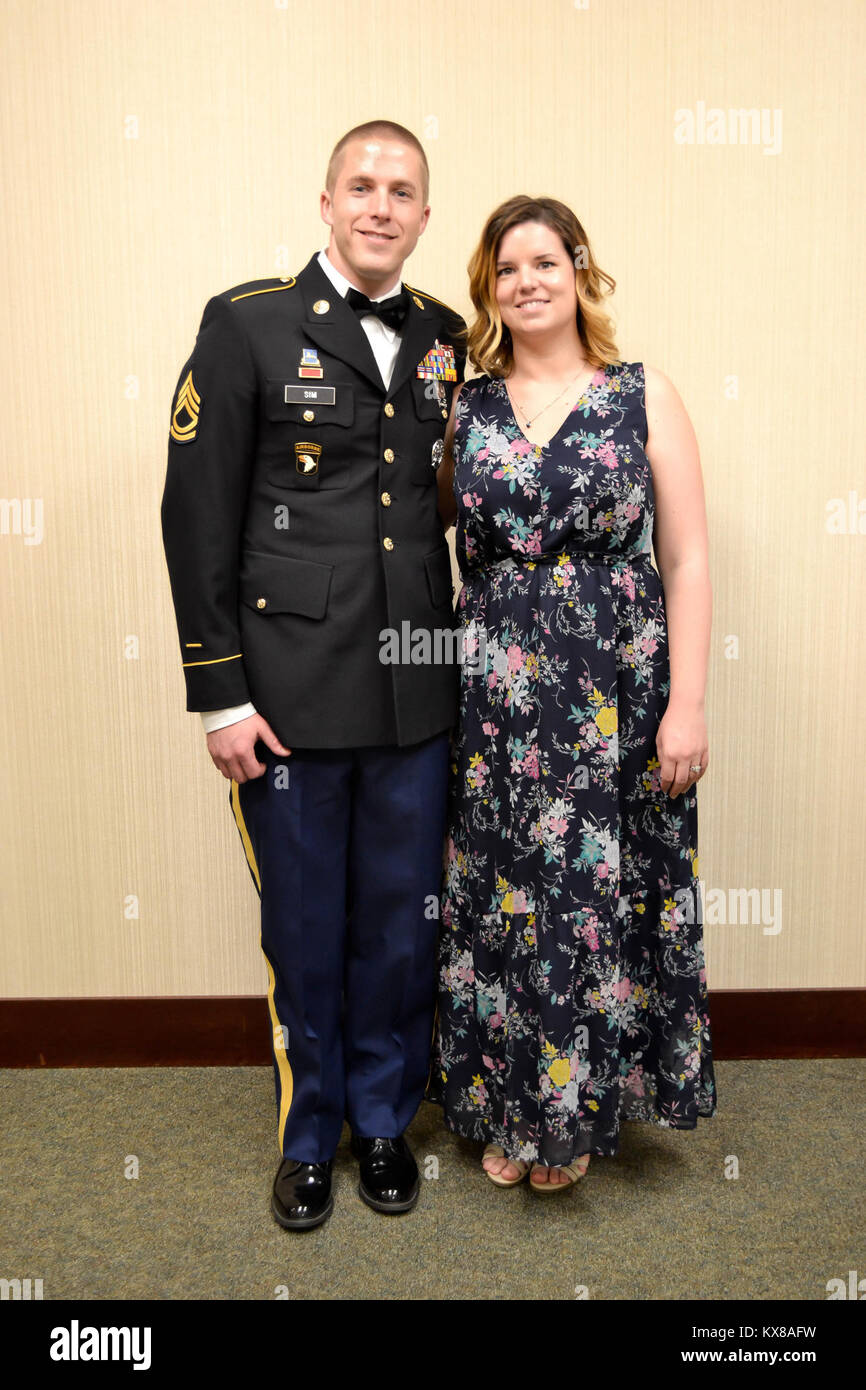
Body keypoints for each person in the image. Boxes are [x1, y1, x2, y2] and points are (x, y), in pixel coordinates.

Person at [161, 121, 466, 1229]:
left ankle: (382, 1123)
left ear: (425, 216)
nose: (381, 206)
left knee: (399, 923)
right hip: (285, 696)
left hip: (415, 689)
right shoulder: (246, 324)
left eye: (403, 192)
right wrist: (219, 692)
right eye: (362, 187)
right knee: (304, 926)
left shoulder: (443, 335)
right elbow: (195, 515)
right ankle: (307, 1134)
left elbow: (437, 510)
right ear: (326, 202)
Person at [428, 195, 717, 1192]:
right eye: (506, 269)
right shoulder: (463, 407)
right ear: (489, 290)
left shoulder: (641, 392)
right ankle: (515, 1106)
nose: (525, 282)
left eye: (544, 262)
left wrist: (686, 705)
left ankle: (578, 1115)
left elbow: (681, 557)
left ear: (578, 272)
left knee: (596, 896)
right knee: (508, 898)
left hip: (618, 691)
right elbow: (441, 553)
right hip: (498, 697)